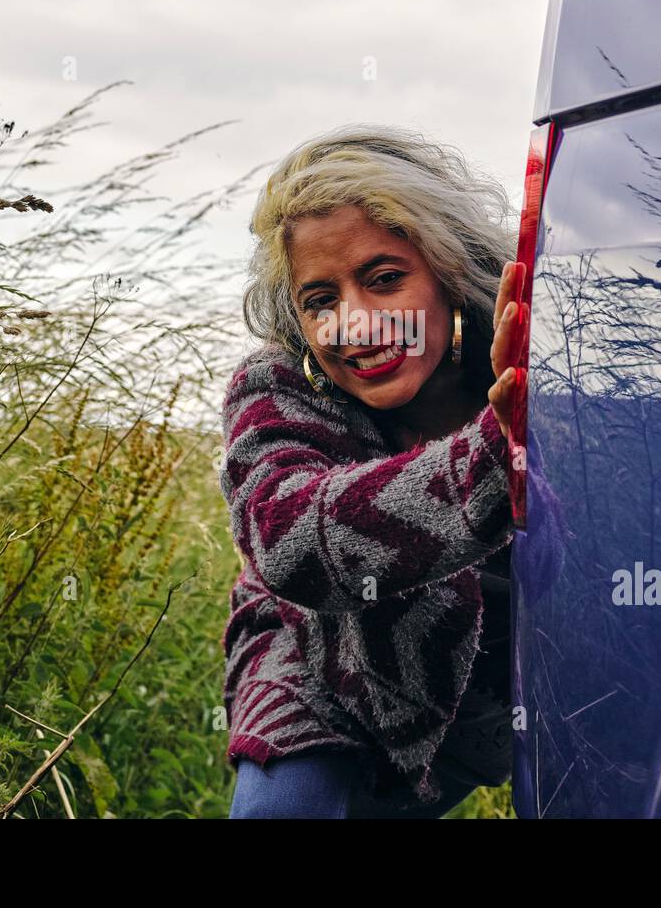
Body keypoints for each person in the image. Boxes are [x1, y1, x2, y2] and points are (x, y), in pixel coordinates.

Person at [219, 124, 528, 818]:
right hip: (322, 668)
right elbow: (290, 539)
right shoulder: (275, 388)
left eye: (384, 279)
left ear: (448, 268)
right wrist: (496, 449)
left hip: (485, 718)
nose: (354, 325)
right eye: (320, 300)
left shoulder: (530, 352)